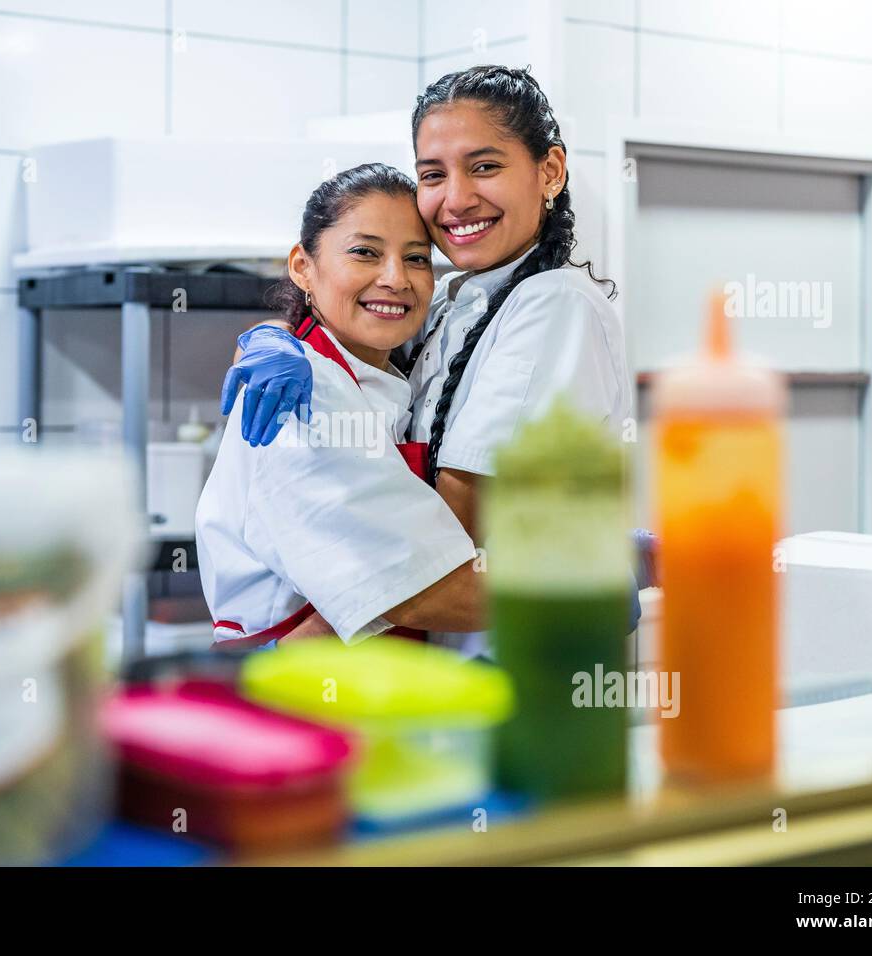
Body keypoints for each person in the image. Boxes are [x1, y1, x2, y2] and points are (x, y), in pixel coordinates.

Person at [220, 66, 655, 652]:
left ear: (549, 170)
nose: (456, 198)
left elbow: (445, 537)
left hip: (501, 668)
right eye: (433, 174)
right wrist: (275, 334)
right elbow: (409, 558)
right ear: (303, 267)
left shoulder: (553, 303)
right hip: (420, 666)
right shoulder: (457, 306)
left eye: (485, 166)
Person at [196, 163, 488, 651]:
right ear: (302, 266)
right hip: (297, 688)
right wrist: (573, 591)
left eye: (417, 259)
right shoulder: (303, 393)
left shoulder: (385, 372)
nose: (395, 279)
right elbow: (415, 591)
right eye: (364, 253)